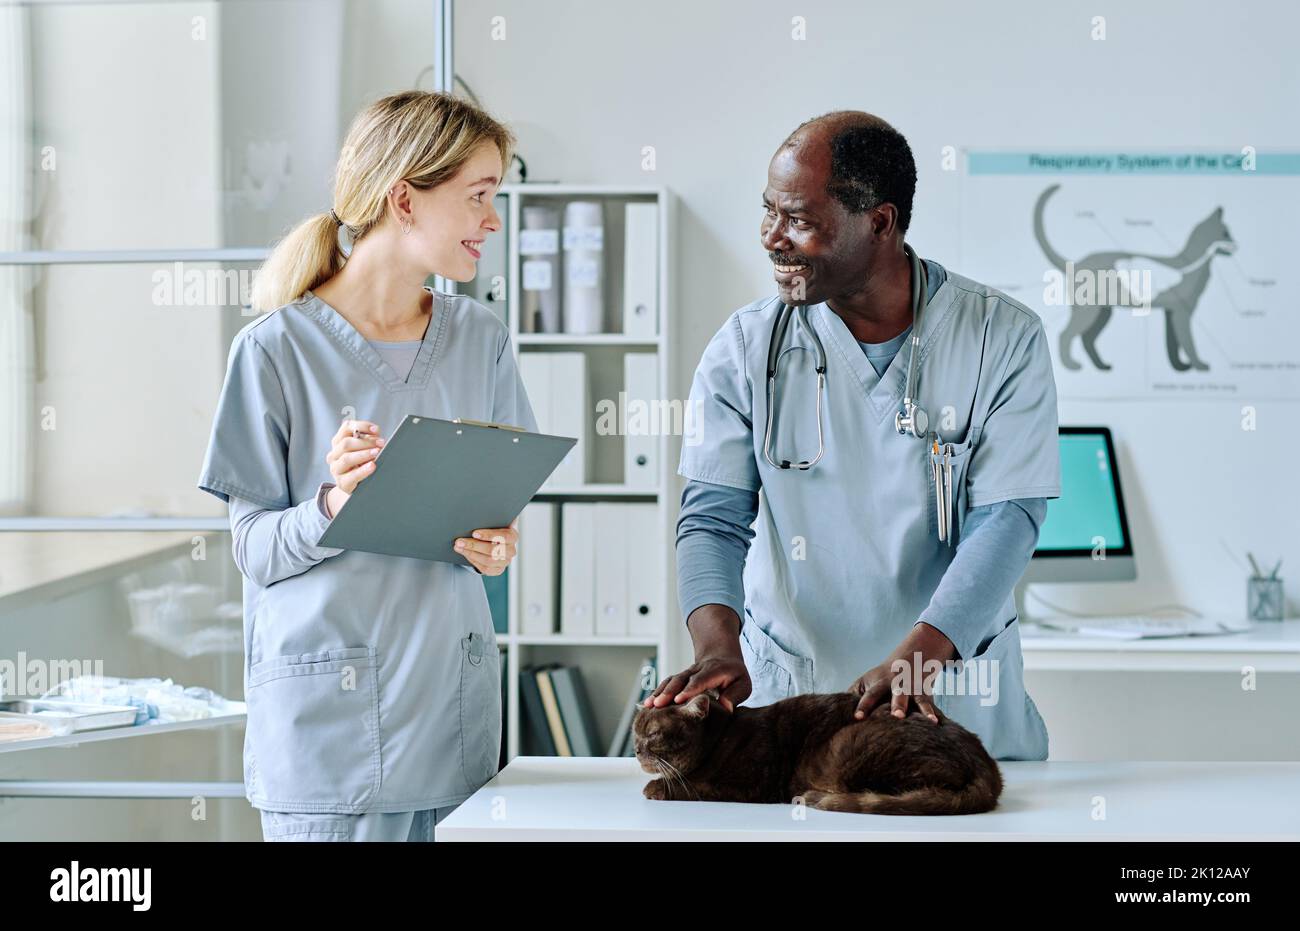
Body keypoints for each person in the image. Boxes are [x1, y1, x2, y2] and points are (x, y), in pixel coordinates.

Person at [646, 111, 1059, 761]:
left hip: (952, 698)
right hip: (794, 703)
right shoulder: (746, 346)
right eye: (768, 211)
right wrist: (717, 647)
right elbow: (712, 518)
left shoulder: (999, 338)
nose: (771, 237)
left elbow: (1007, 517)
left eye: (800, 220)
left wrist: (920, 656)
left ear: (880, 223)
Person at [198, 91, 533, 841]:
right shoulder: (273, 352)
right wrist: (330, 504)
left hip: (455, 735)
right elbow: (253, 550)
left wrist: (498, 546)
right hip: (332, 750)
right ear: (404, 199)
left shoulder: (481, 339)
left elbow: (499, 517)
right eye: (479, 197)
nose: (493, 221)